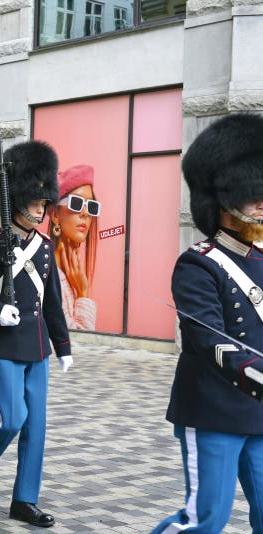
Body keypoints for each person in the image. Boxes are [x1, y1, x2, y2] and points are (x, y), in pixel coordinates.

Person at [151, 113, 263, 533]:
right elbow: (205, 336)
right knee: (206, 518)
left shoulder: (261, 259)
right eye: (254, 194)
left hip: (258, 412)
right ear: (223, 199)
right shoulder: (198, 263)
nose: (262, 202)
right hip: (213, 408)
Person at [0, 140, 72, 528]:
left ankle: (25, 499)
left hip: (36, 346)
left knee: (35, 428)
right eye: (36, 203)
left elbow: (51, 300)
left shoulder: (43, 246)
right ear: (18, 200)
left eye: (44, 203)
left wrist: (63, 346)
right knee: (11, 418)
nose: (41, 209)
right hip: (3, 343)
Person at [47, 164, 99, 330]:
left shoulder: (67, 277)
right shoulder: (48, 276)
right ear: (55, 215)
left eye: (91, 206)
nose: (85, 213)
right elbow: (75, 342)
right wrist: (83, 293)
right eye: (76, 203)